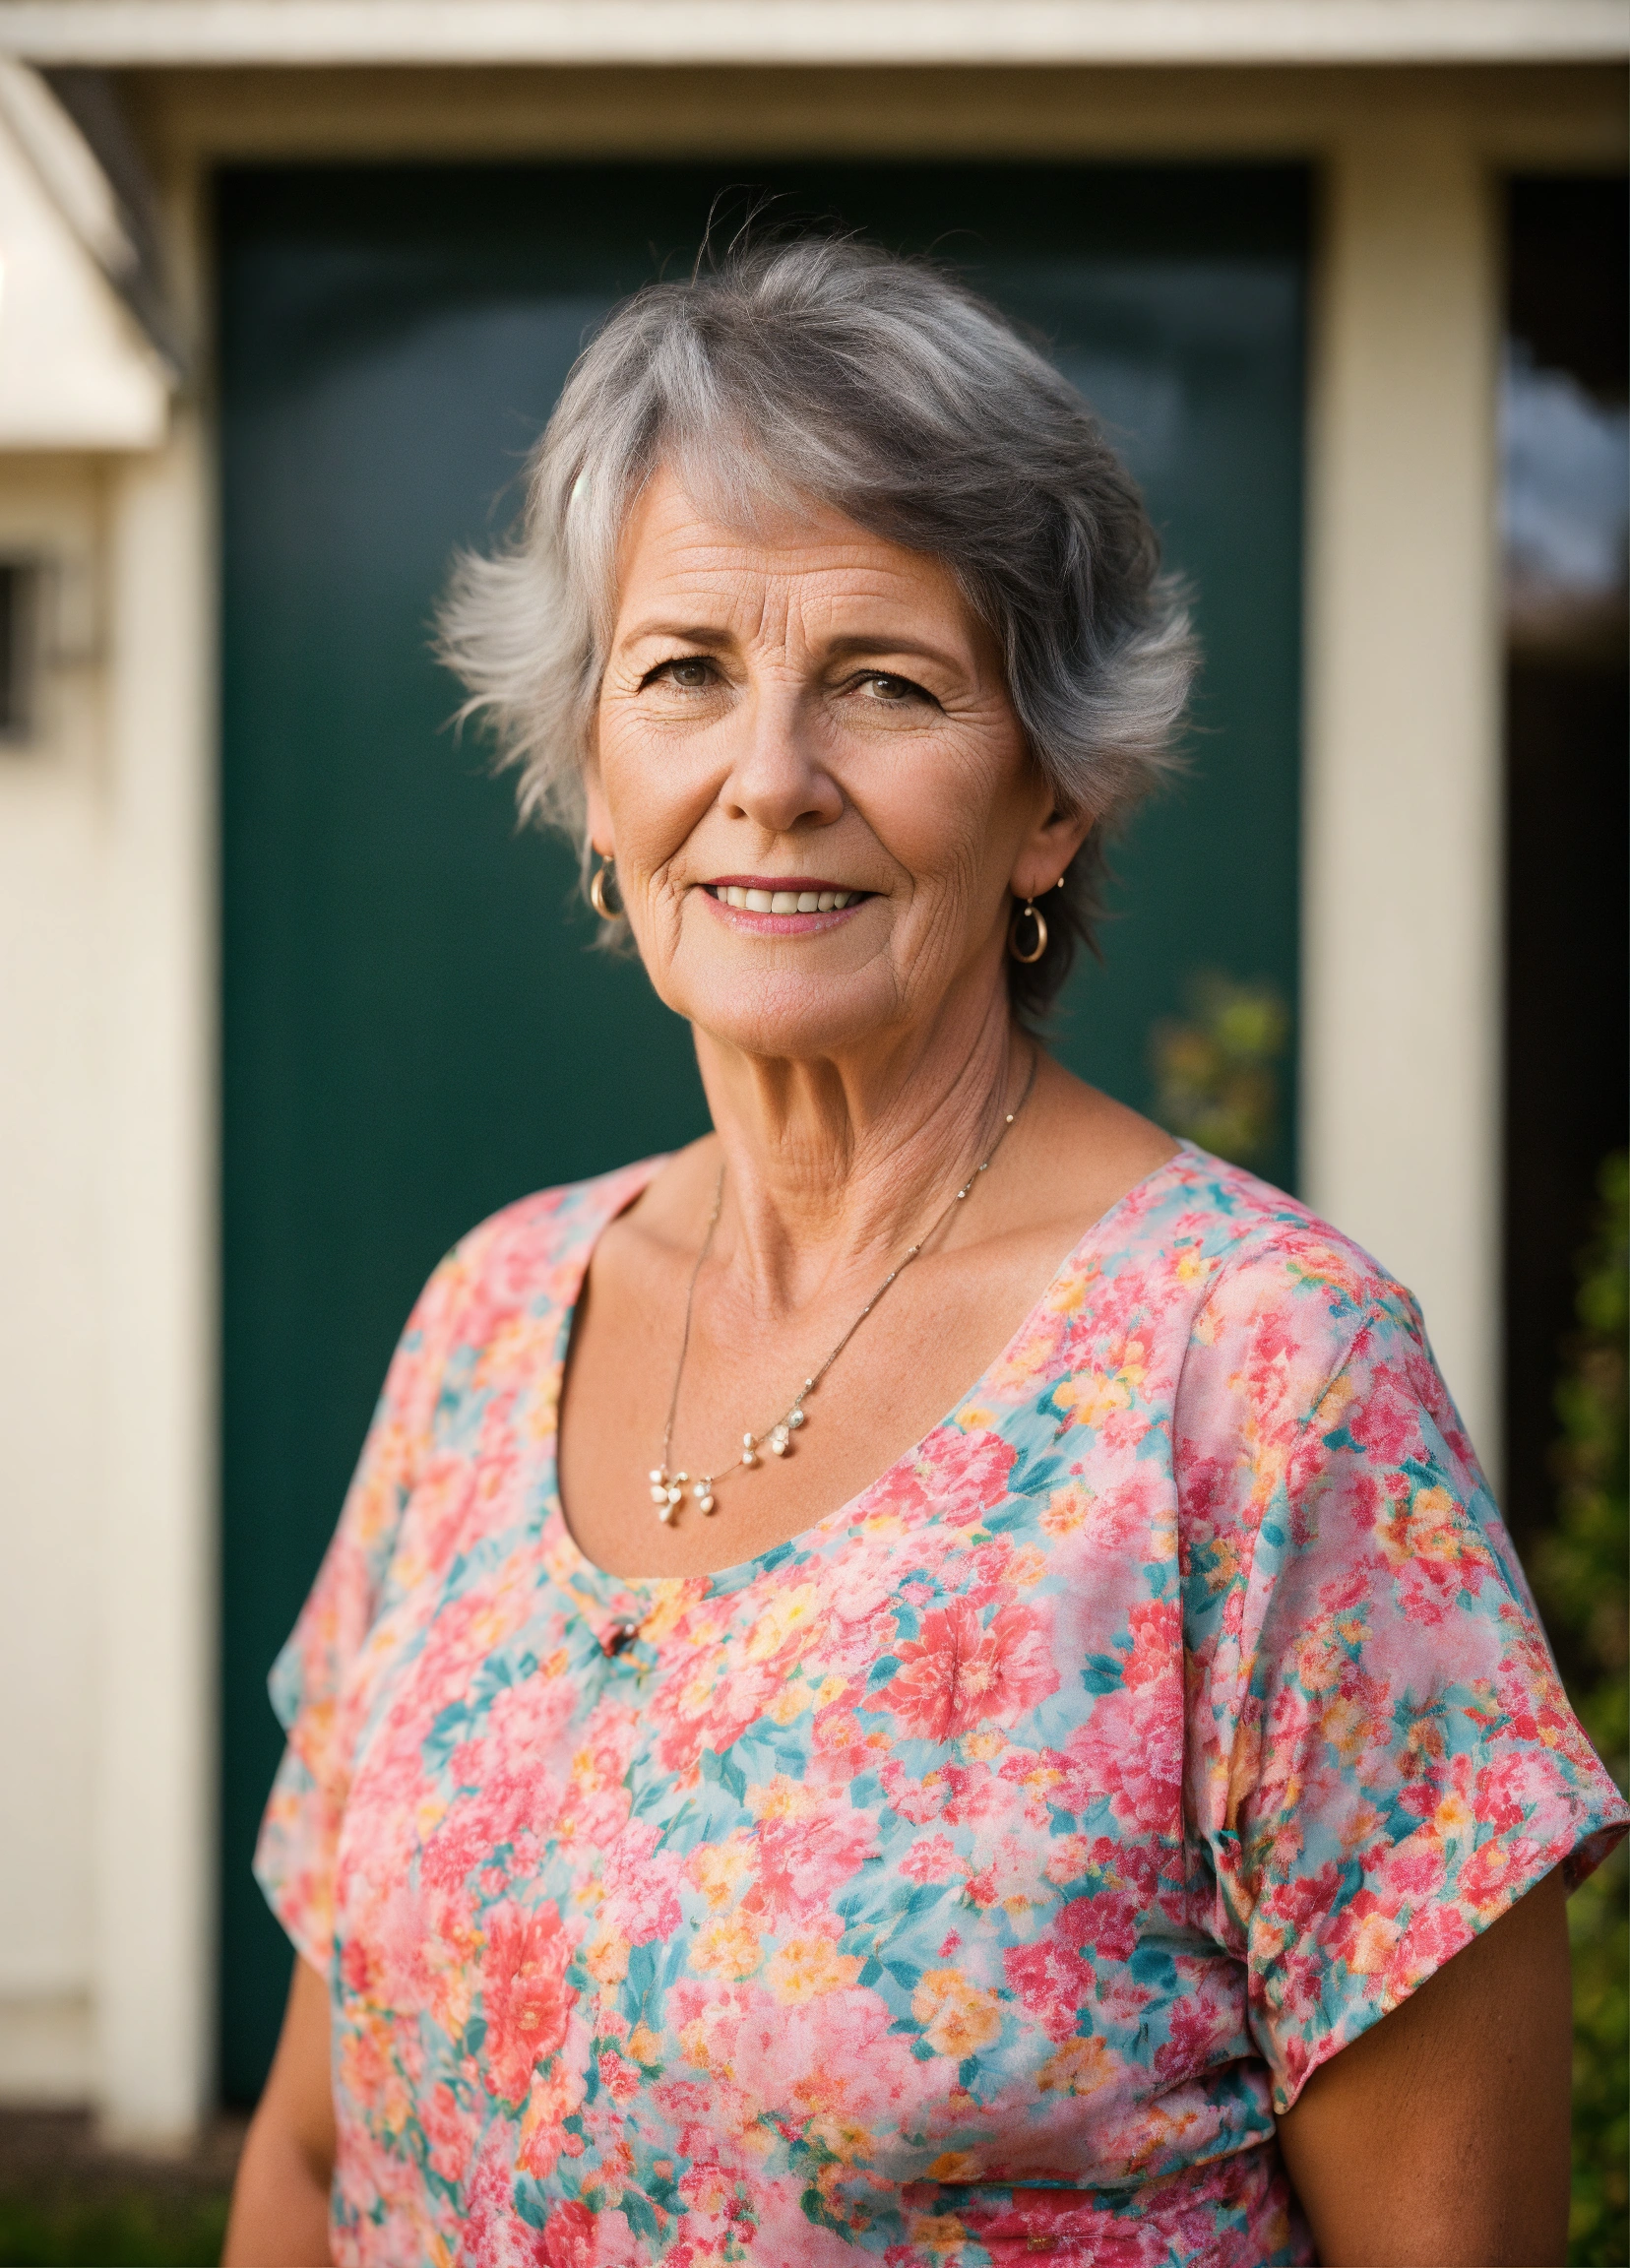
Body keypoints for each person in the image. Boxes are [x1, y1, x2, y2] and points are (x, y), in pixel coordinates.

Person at [223, 238, 1625, 2268]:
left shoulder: (1262, 1385)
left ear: (1048, 796)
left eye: (882, 683)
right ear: (595, 776)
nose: (767, 782)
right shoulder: (493, 1312)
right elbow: (309, 2164)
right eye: (686, 670)